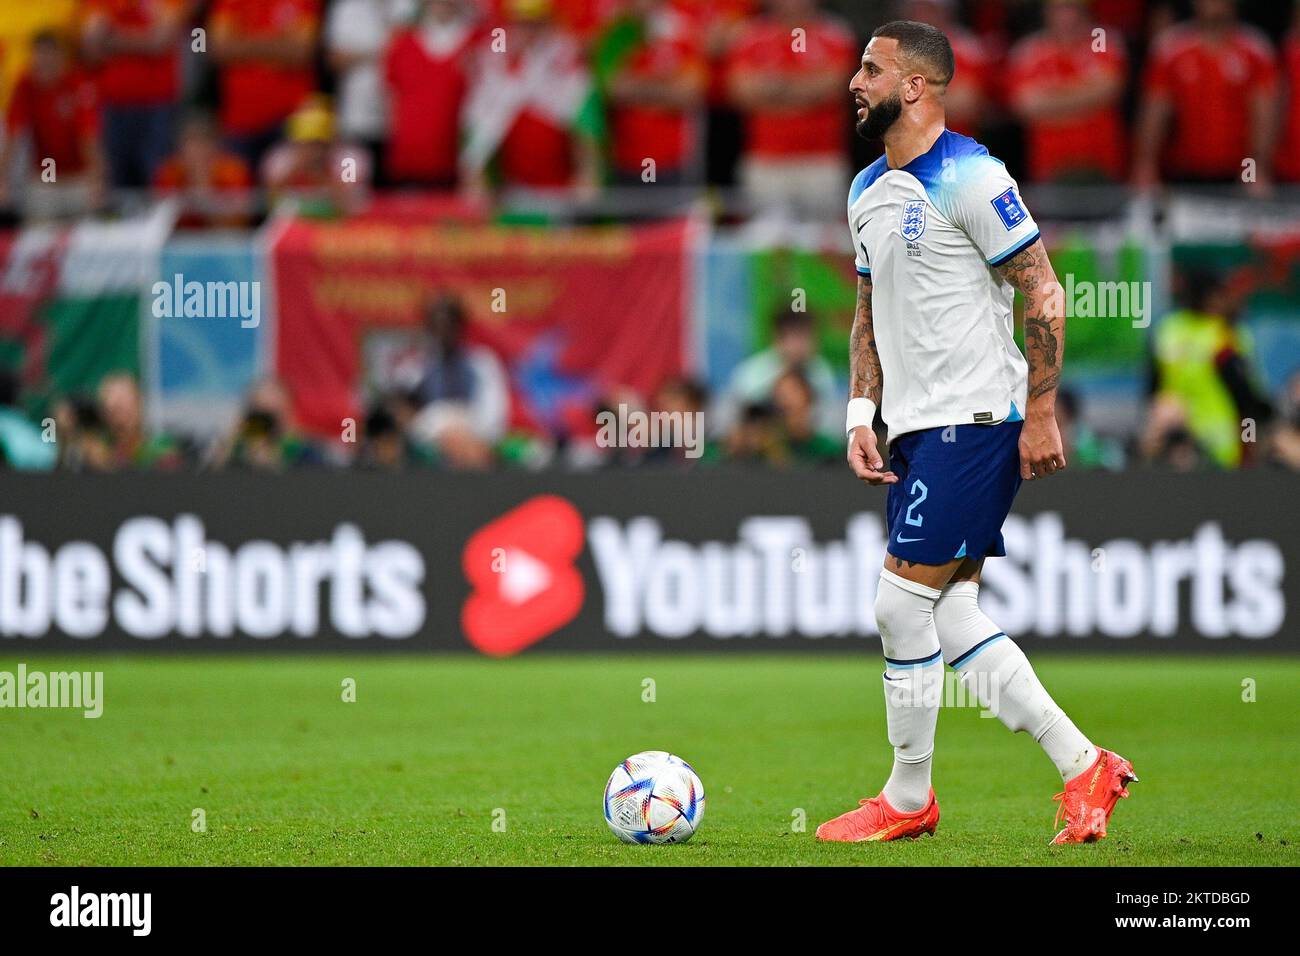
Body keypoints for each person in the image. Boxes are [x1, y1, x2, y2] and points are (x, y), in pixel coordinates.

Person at [817, 20, 1136, 846]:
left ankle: (908, 796)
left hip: (979, 418)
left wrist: (1040, 410)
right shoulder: (864, 191)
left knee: (898, 605)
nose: (854, 81)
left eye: (870, 68)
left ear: (915, 86)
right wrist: (860, 414)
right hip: (918, 428)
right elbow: (865, 317)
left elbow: (1043, 290)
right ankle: (1083, 766)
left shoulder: (971, 175)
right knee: (952, 615)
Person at [1132, 0, 1278, 188]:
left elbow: (1264, 116)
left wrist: (1257, 169)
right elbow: (1154, 113)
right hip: (1182, 171)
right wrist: (1145, 165)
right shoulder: (1170, 47)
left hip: (1239, 172)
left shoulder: (1256, 49)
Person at [1007, 0, 1127, 183]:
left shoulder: (1101, 38)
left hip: (1102, 162)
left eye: (1073, 8)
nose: (1067, 16)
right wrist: (1087, 95)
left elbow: (1109, 89)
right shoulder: (1029, 50)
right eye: (1060, 9)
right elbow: (1026, 105)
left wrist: (1051, 101)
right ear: (1046, 12)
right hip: (1049, 166)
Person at [80, 0, 186, 190]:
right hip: (112, 104)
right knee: (116, 182)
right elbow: (90, 47)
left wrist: (113, 39)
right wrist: (145, 39)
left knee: (158, 180)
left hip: (157, 105)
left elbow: (162, 41)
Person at [0, 31, 105, 219]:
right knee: (41, 210)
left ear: (61, 58)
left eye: (48, 55)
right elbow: (14, 135)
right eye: (39, 56)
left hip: (77, 174)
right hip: (48, 172)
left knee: (85, 211)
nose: (43, 62)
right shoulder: (26, 85)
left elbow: (88, 136)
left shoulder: (78, 84)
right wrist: (2, 178)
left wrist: (96, 178)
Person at [716, 306, 840, 437]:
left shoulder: (821, 372)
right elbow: (734, 420)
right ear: (777, 338)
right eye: (794, 337)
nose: (800, 345)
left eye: (806, 337)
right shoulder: (752, 373)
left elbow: (828, 423)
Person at [152, 111, 254, 227]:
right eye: (191, 142)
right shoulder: (169, 172)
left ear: (215, 145)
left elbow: (236, 225)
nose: (198, 151)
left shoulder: (234, 172)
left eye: (203, 142)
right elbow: (163, 225)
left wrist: (205, 192)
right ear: (181, 146)